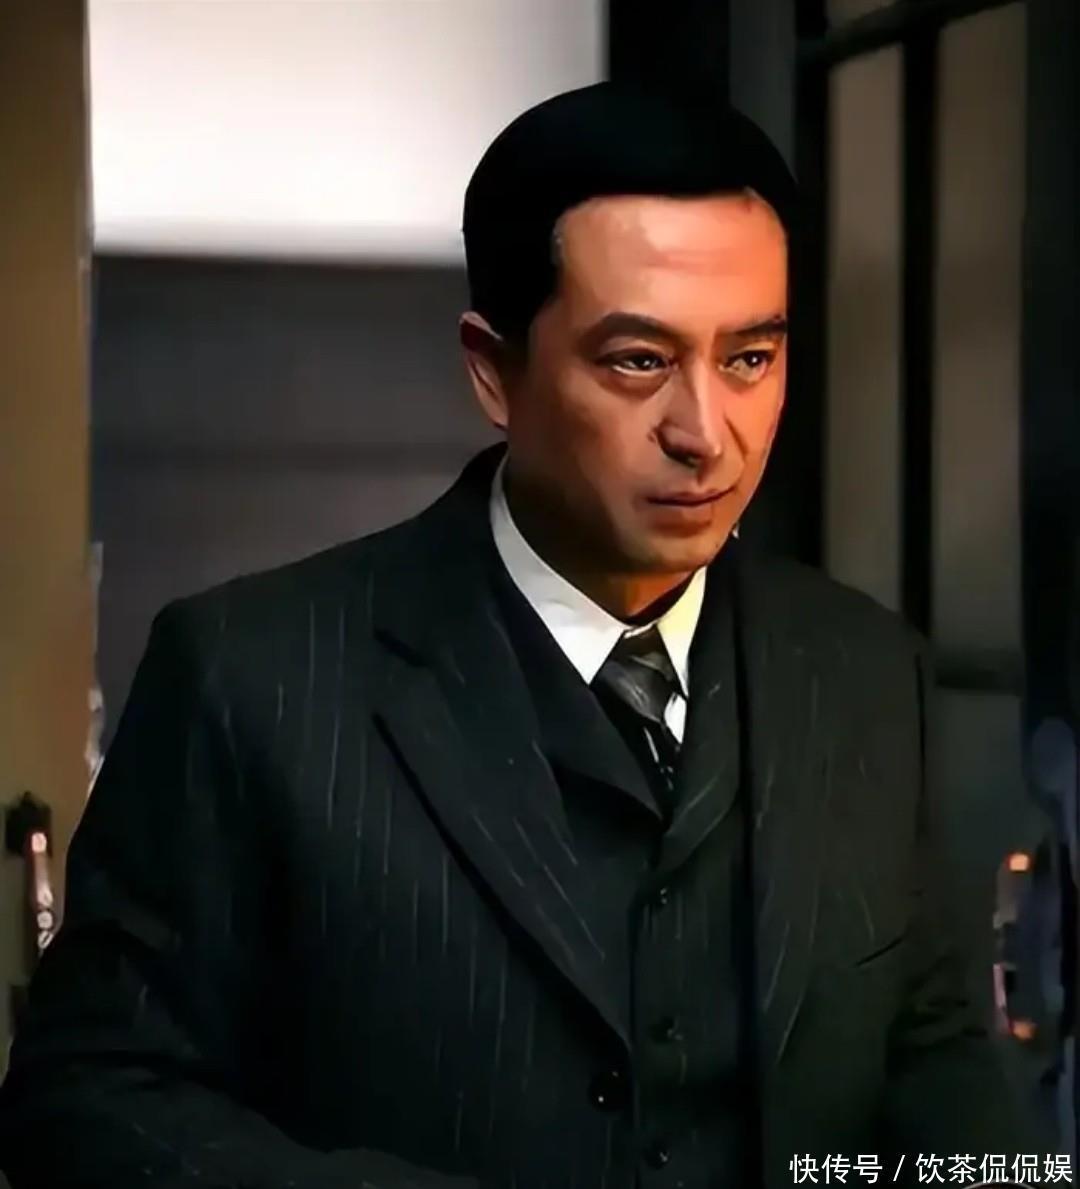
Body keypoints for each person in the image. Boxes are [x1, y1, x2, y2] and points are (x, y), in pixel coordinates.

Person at [0, 81, 1047, 1189]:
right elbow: (89, 1100)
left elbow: (939, 1074)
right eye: (639, 361)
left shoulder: (862, 670)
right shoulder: (250, 677)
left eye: (749, 359)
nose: (706, 433)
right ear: (494, 370)